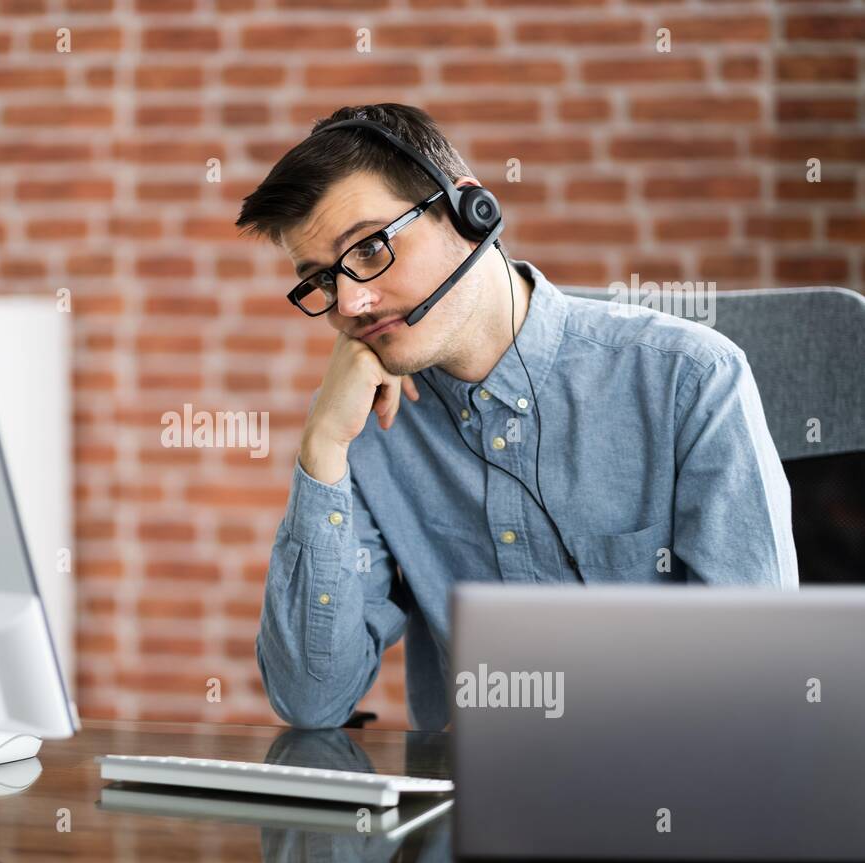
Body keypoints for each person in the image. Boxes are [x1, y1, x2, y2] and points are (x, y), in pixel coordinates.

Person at [234, 103, 798, 731]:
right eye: (320, 280)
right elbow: (312, 701)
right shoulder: (365, 424)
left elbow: (756, 682)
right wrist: (321, 451)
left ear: (471, 211)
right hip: (473, 814)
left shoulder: (687, 381)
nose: (351, 302)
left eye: (369, 249)